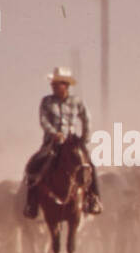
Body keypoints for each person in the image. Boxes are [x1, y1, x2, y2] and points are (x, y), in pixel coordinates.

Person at [23, 66, 102, 218]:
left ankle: (94, 199)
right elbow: (44, 121)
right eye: (53, 84)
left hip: (72, 142)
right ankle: (31, 204)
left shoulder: (76, 101)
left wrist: (85, 137)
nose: (53, 86)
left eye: (56, 83)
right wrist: (54, 134)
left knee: (89, 165)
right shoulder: (46, 101)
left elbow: (86, 118)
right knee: (33, 164)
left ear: (65, 85)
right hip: (52, 143)